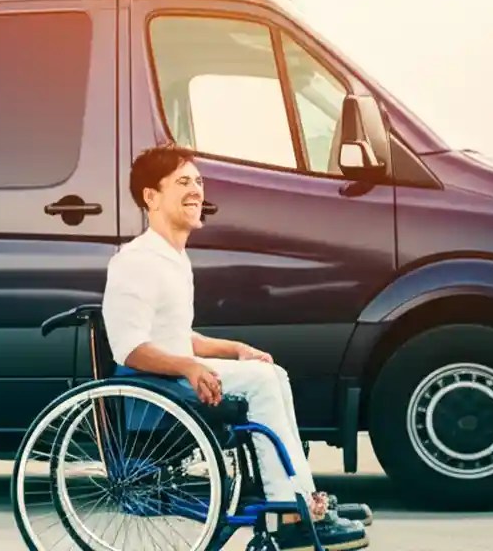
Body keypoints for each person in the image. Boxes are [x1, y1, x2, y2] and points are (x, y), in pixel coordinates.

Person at [101, 144, 371, 550]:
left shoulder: (172, 258)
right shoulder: (136, 261)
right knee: (263, 383)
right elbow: (130, 349)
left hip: (175, 377)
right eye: (182, 182)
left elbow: (176, 335)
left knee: (271, 374)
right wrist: (190, 368)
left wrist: (234, 349)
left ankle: (302, 497)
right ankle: (290, 509)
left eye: (198, 181)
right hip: (155, 389)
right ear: (150, 197)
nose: (196, 190)